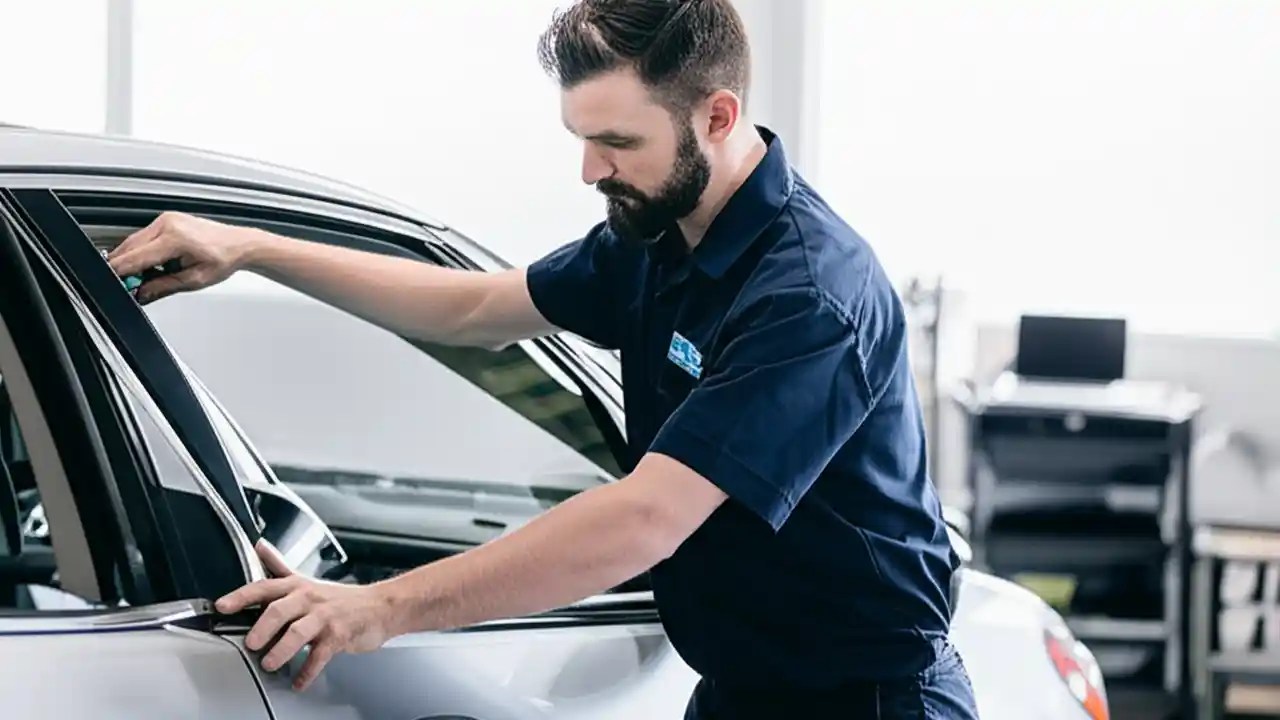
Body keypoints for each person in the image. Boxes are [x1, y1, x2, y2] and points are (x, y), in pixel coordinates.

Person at [108, 1, 979, 717]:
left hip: (871, 703)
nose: (590, 170)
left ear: (717, 117)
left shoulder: (808, 296)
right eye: (581, 137)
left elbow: (645, 519)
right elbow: (475, 308)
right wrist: (254, 249)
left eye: (618, 143)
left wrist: (381, 607)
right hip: (738, 693)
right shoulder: (656, 233)